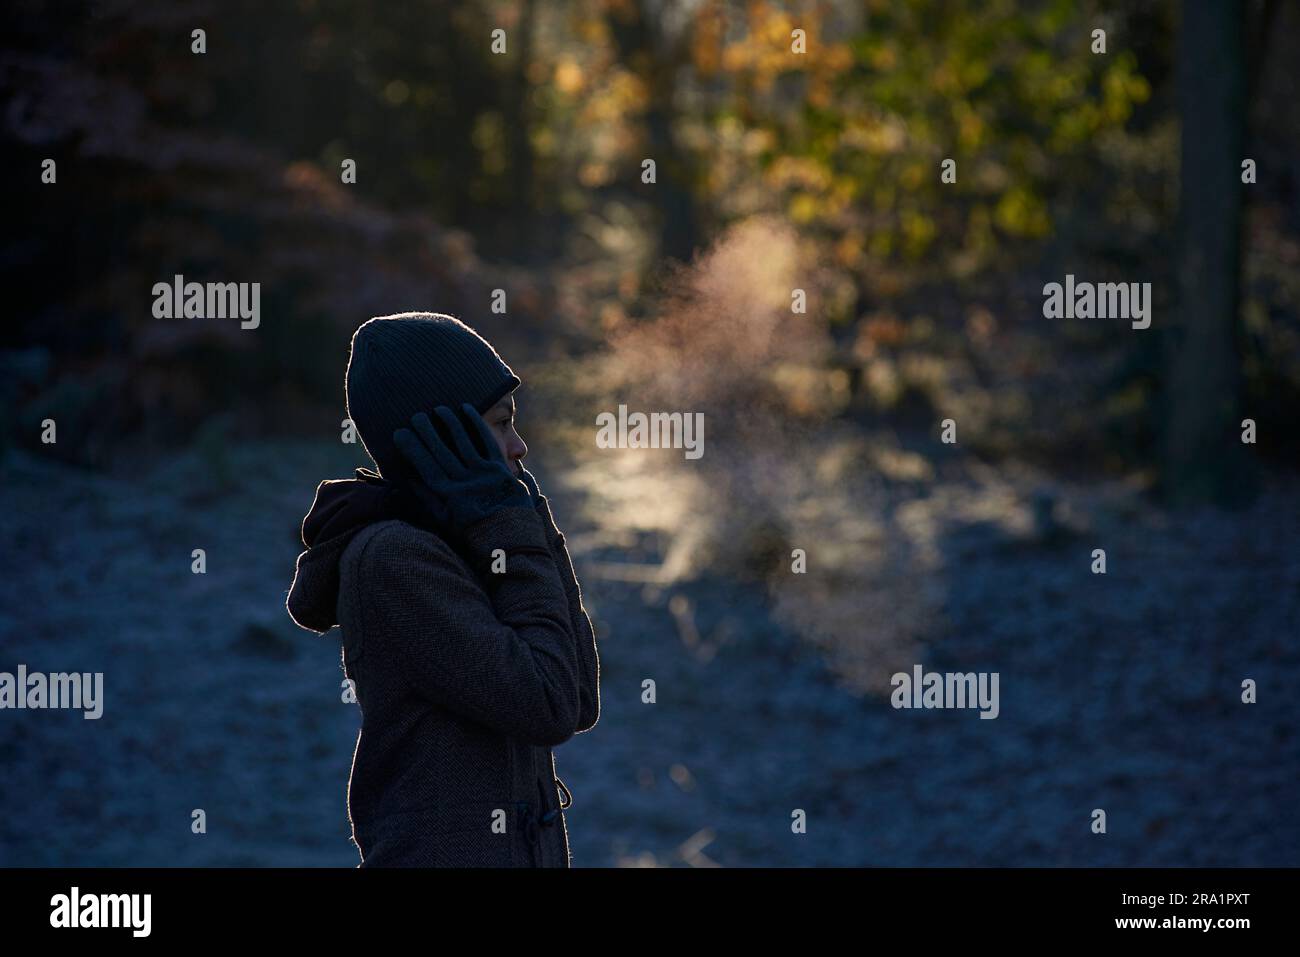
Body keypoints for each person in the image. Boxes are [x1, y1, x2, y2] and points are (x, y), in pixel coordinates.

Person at [286, 311, 600, 867]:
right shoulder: (395, 560)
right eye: (501, 423)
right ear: (444, 435)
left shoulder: (470, 536)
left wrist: (528, 518)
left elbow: (580, 700)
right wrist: (509, 519)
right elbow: (548, 702)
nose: (520, 446)